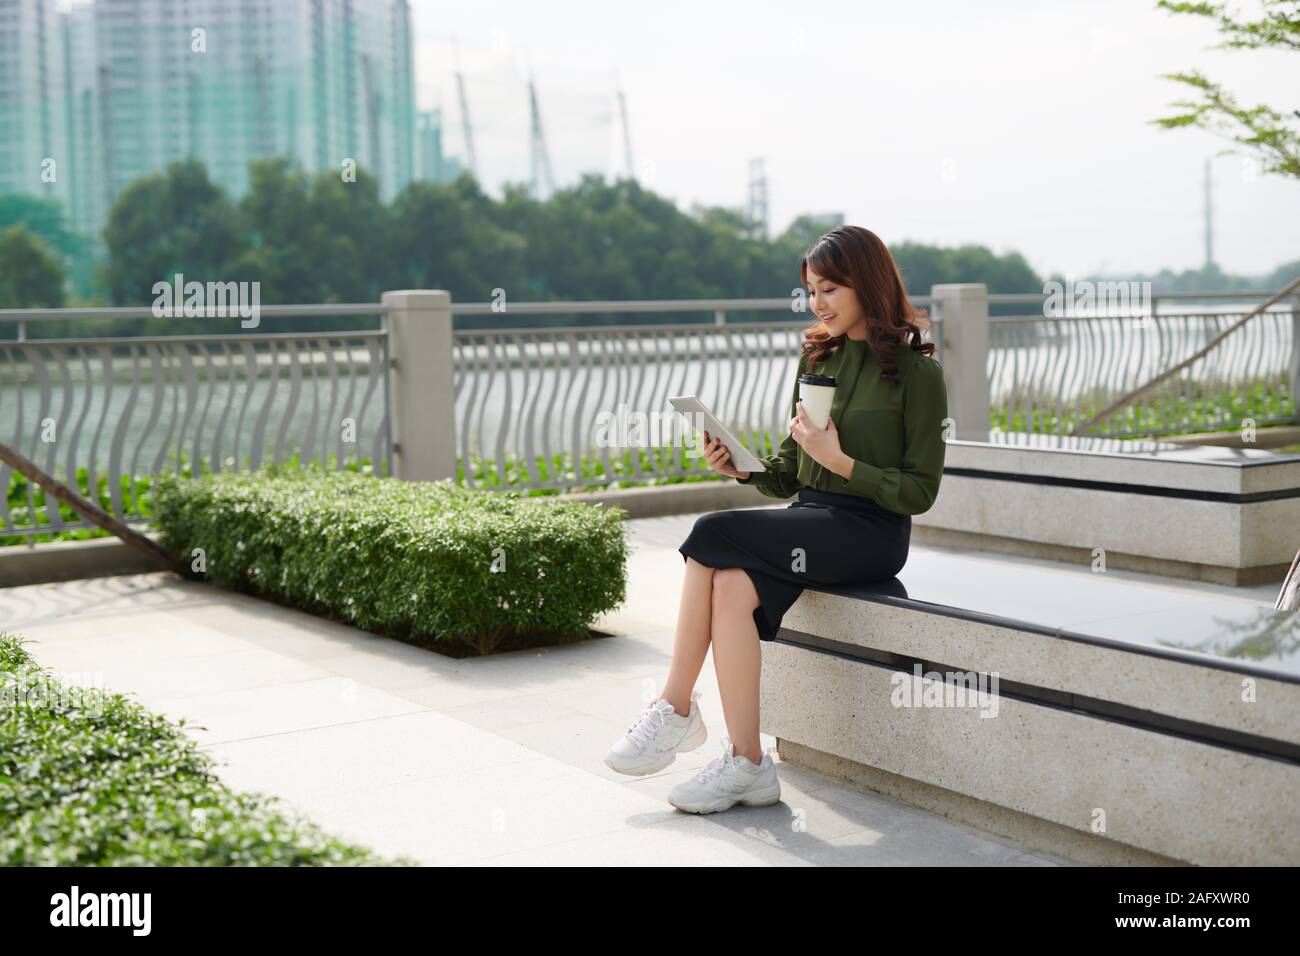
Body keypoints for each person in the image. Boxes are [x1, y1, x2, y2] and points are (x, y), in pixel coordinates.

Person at [604, 225, 949, 814]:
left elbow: (920, 492)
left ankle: (675, 708)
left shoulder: (919, 376)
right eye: (812, 291)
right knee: (731, 585)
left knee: (711, 534)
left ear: (867, 284)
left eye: (830, 289)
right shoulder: (818, 355)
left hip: (871, 532)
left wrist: (842, 462)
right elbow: (791, 472)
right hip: (810, 521)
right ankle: (749, 765)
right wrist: (742, 469)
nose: (818, 303)